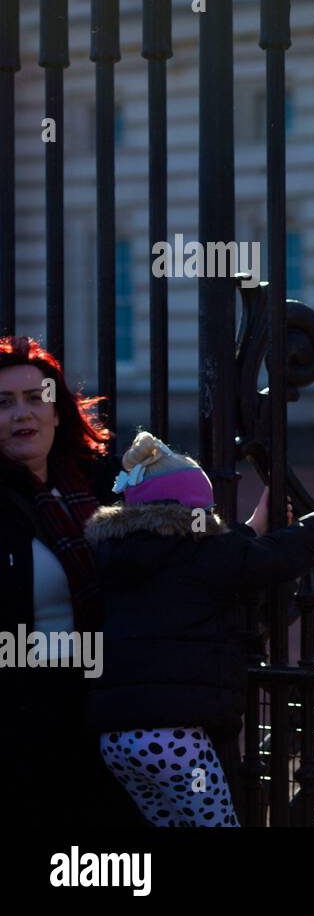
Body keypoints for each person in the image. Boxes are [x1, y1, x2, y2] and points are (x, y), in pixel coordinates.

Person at [84, 430, 314, 826]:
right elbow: (272, 557)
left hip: (118, 740)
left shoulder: (119, 551)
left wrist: (251, 528)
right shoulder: (203, 551)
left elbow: (211, 558)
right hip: (175, 741)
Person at [0, 334, 145, 826]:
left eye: (34, 398)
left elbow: (169, 560)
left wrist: (254, 532)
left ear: (57, 411)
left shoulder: (98, 487)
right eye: (3, 403)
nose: (22, 413)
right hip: (25, 735)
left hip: (109, 717)